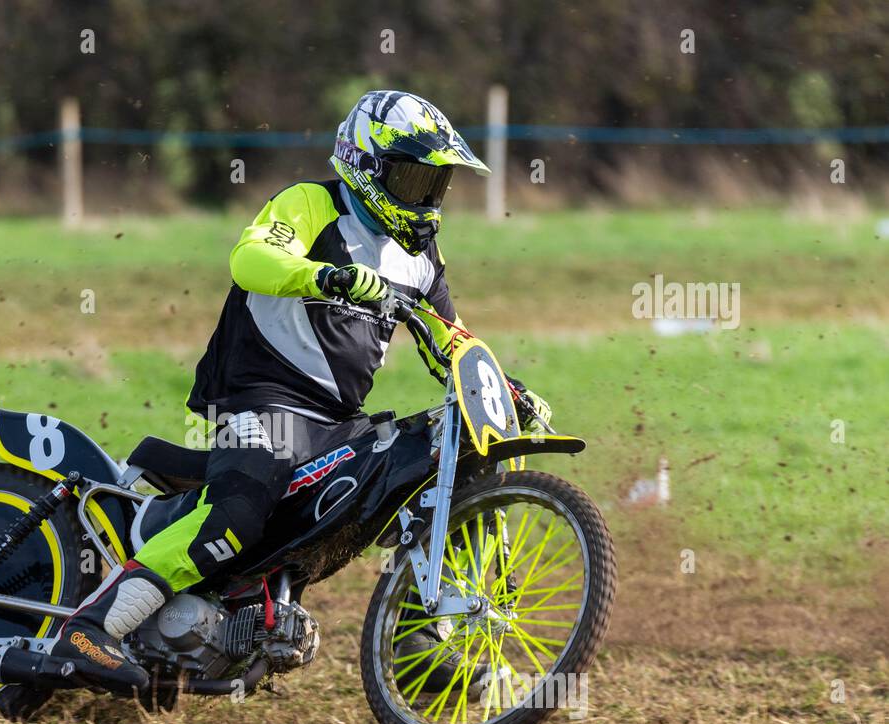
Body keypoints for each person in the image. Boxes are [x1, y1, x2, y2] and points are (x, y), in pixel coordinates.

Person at [49, 90, 553, 692]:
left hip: (336, 421)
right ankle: (92, 628)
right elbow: (251, 259)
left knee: (445, 454)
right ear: (365, 165)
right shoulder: (312, 203)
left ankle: (422, 653)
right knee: (239, 509)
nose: (424, 197)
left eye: (434, 183)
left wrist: (501, 386)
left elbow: (450, 340)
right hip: (259, 399)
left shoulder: (421, 259)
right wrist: (329, 276)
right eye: (412, 177)